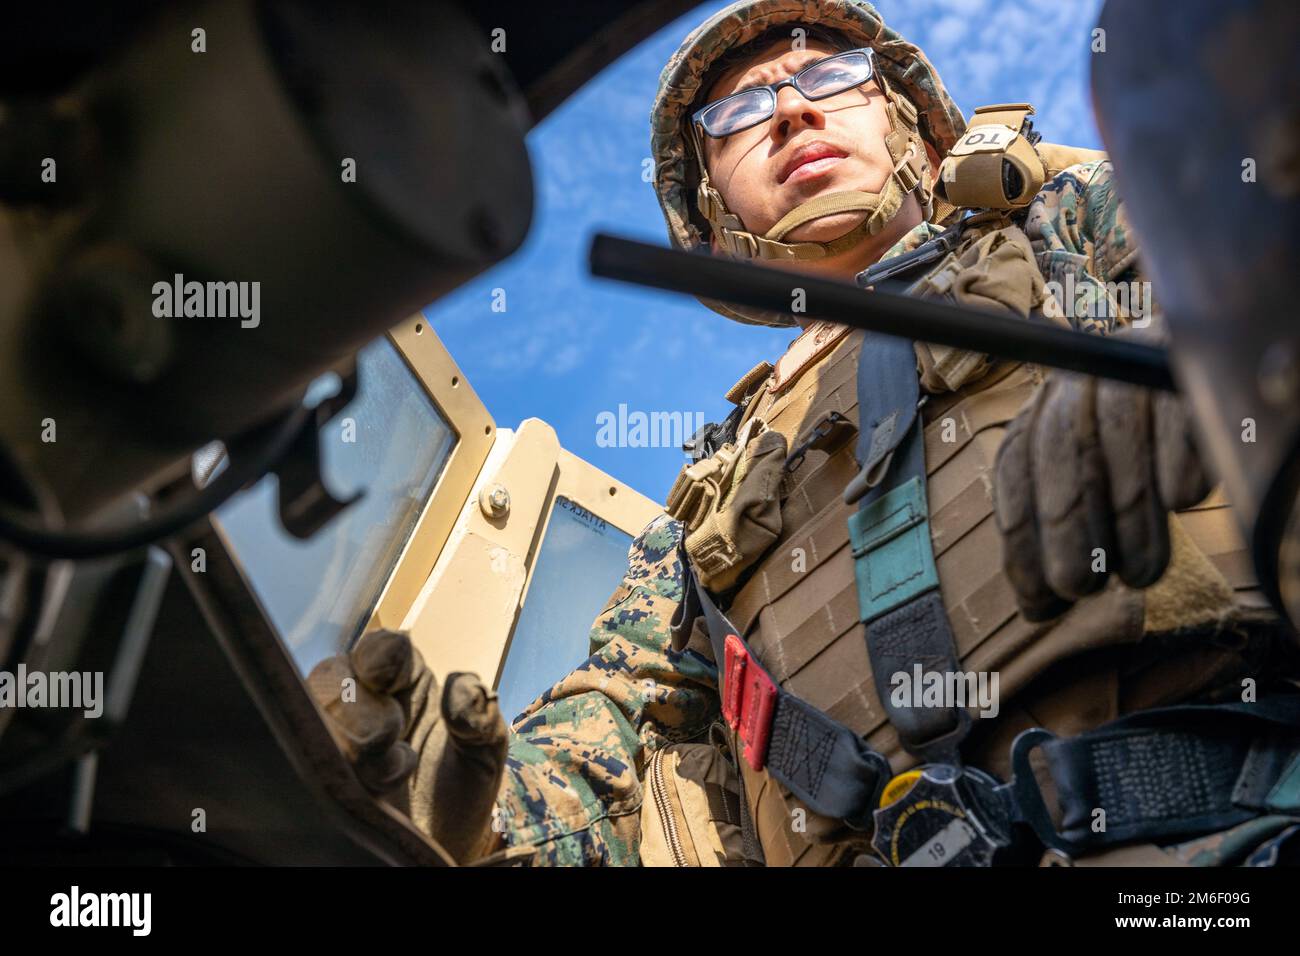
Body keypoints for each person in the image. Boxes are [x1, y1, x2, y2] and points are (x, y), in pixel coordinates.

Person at [310, 0, 1300, 867]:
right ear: (712, 207)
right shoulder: (711, 487)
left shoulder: (1067, 221)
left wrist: (1207, 362)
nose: (789, 109)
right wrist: (471, 803)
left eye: (828, 76)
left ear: (906, 120)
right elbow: (618, 738)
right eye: (738, 111)